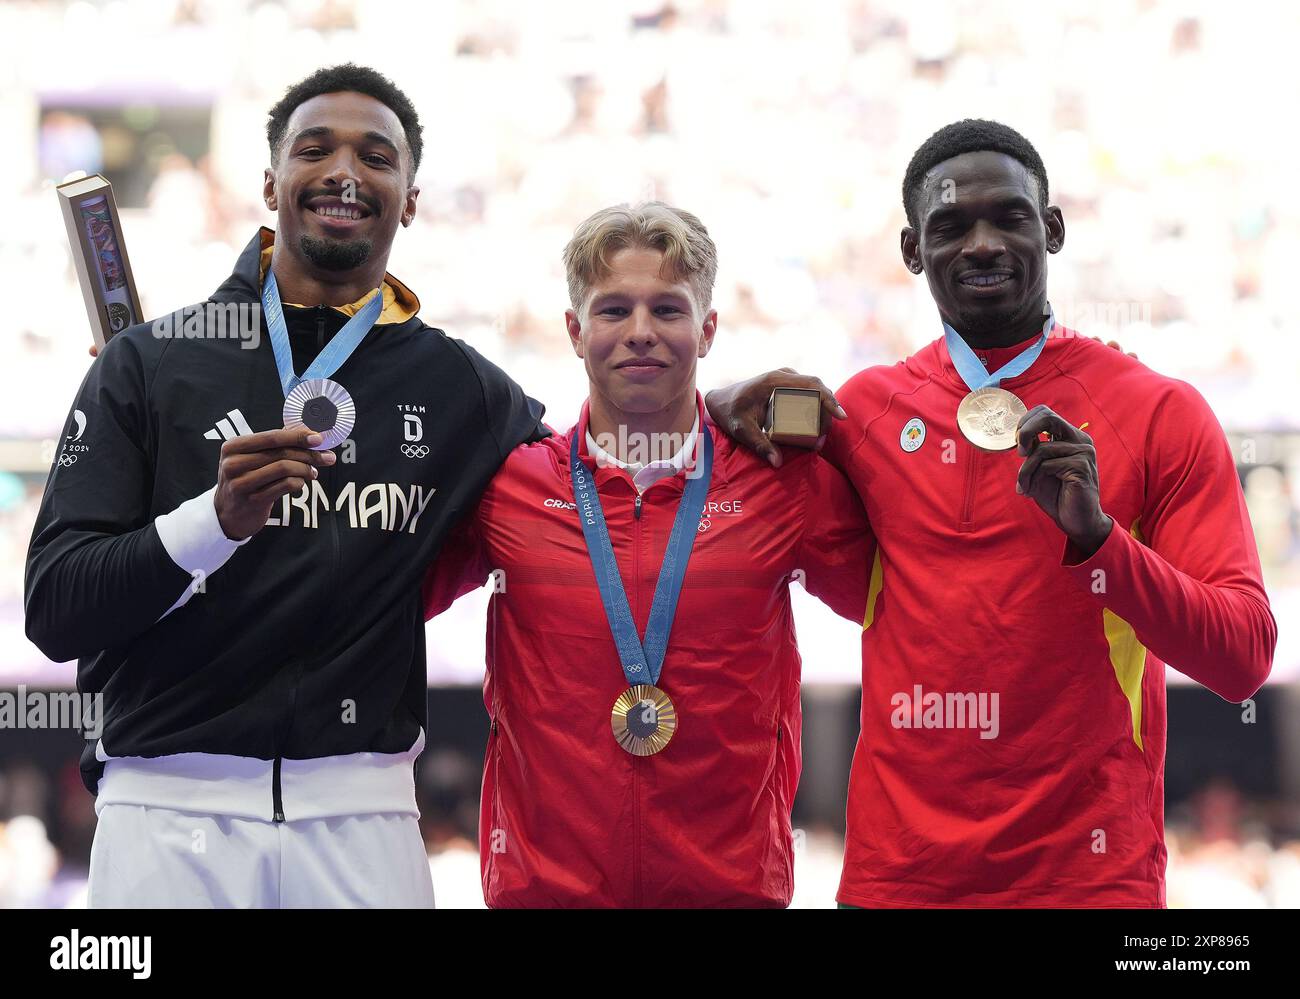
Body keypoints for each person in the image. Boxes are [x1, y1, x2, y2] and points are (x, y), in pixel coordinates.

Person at [706, 119, 1277, 907]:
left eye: (1008, 217)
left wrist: (1101, 542)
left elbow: (1243, 656)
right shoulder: (860, 416)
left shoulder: (1159, 412)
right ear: (913, 251)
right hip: (897, 883)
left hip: (1087, 883)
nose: (980, 244)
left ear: (1052, 229)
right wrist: (709, 407)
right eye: (950, 226)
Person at [25, 64, 547, 908]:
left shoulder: (463, 388)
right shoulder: (152, 361)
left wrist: (717, 411)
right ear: (272, 181)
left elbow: (595, 484)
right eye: (316, 149)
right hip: (166, 812)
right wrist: (213, 522)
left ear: (410, 198)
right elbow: (55, 609)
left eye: (377, 156)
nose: (345, 171)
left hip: (365, 817)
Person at [422, 202, 871, 907]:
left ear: (708, 328)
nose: (639, 334)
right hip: (546, 895)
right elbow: (384, 600)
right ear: (573, 330)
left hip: (731, 892)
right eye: (612, 311)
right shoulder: (505, 486)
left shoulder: (779, 482)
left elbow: (906, 596)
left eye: (667, 309)